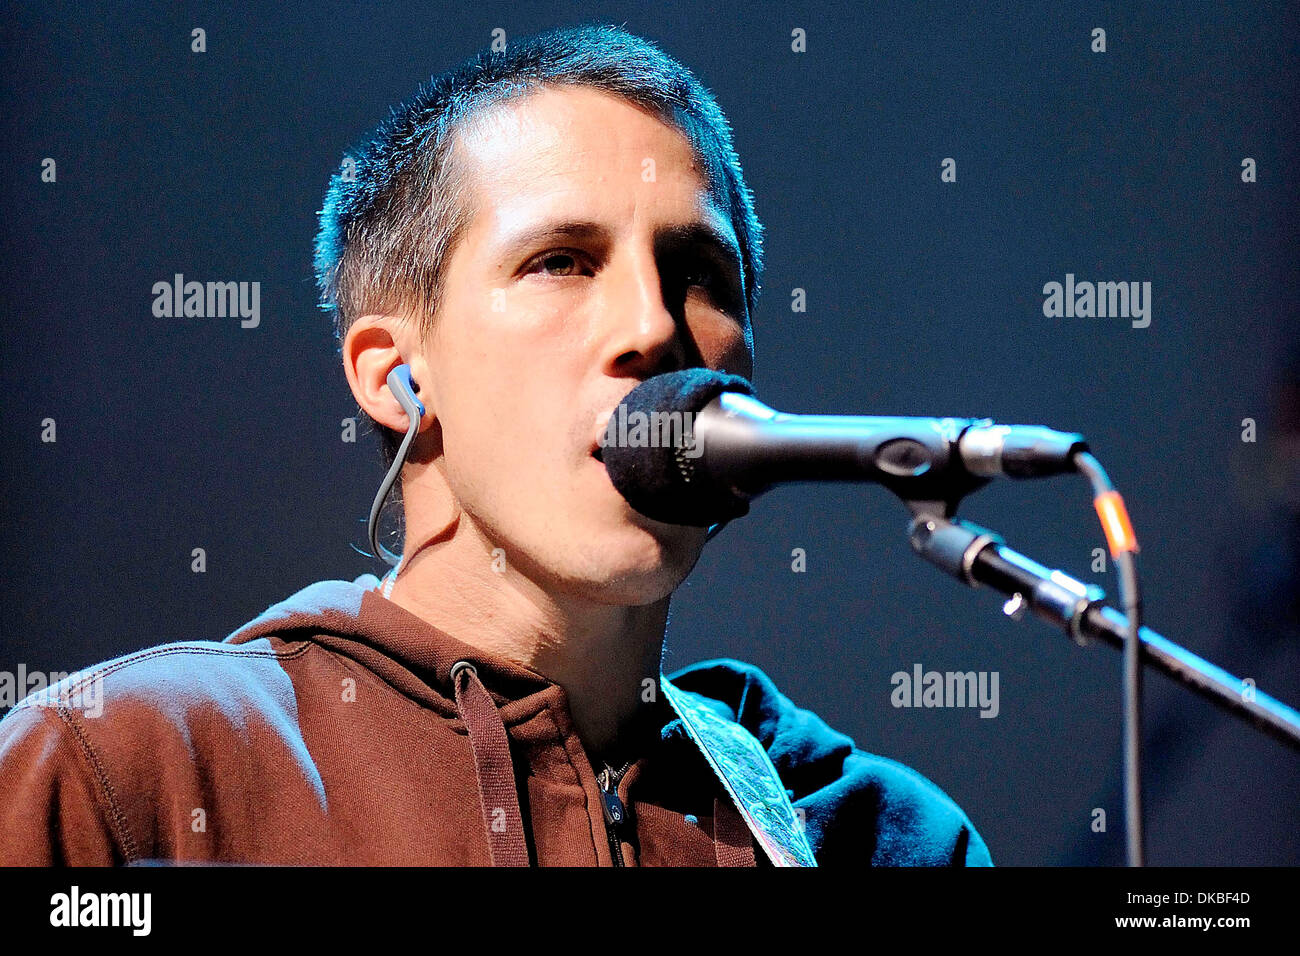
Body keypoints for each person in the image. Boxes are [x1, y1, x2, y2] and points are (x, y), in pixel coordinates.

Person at [0, 24, 991, 867]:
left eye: (697, 272)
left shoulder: (880, 834)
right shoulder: (130, 771)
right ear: (395, 375)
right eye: (561, 261)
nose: (652, 326)